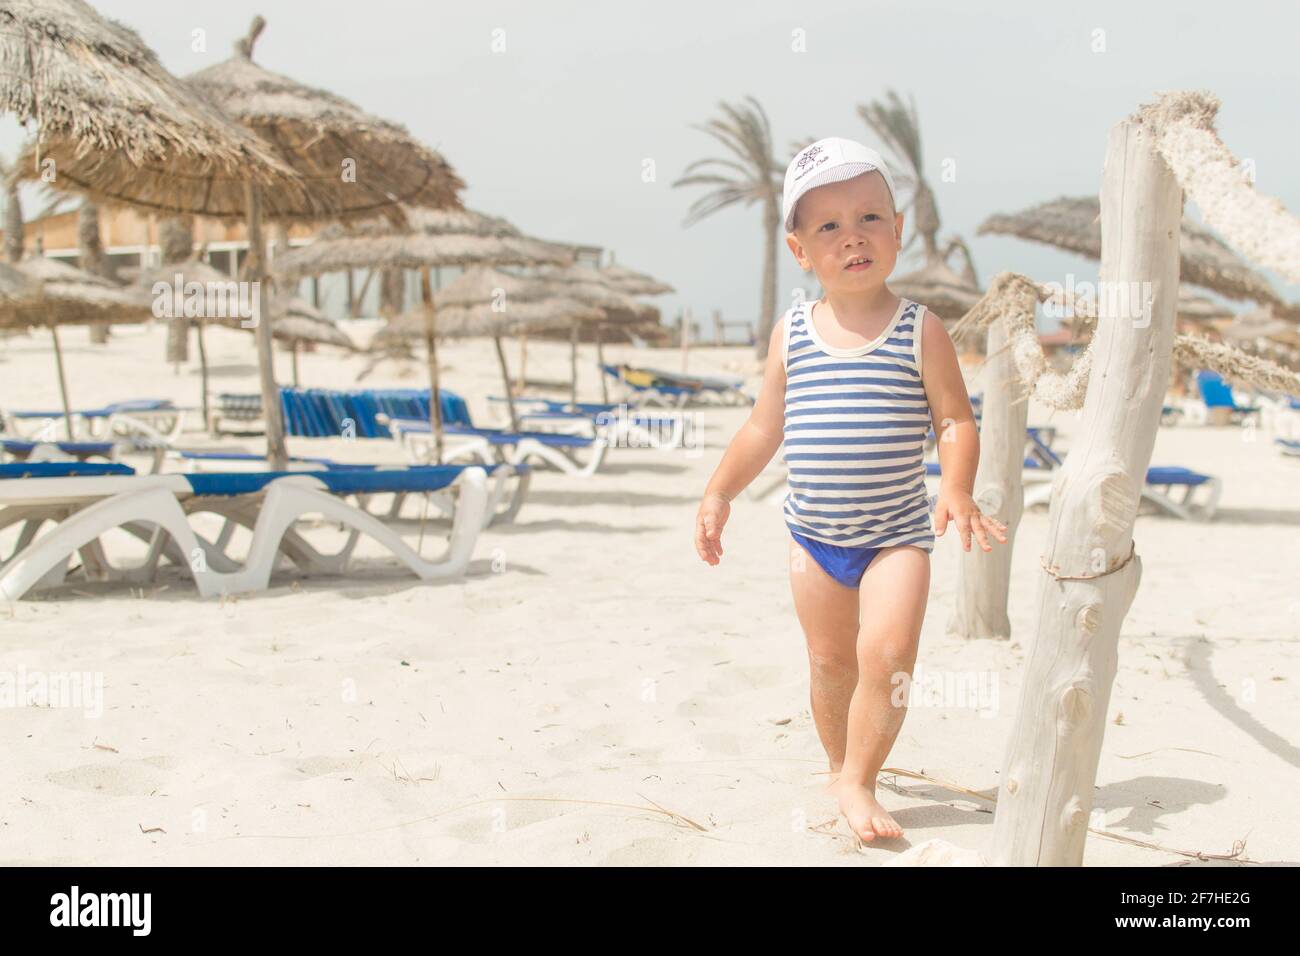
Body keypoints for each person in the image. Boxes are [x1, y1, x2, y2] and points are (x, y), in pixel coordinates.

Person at [693, 137, 1007, 844]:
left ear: (898, 232)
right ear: (800, 250)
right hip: (813, 538)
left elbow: (956, 418)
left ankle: (862, 778)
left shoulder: (920, 330)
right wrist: (719, 492)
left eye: (869, 217)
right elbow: (761, 428)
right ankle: (840, 767)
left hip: (896, 537)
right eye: (828, 225)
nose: (852, 236)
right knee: (831, 663)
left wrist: (956, 488)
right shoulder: (793, 333)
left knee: (887, 657)